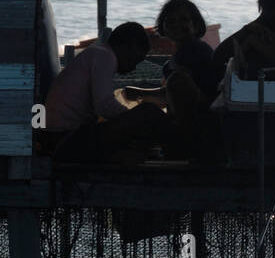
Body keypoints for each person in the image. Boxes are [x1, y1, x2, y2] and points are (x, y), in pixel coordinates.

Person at [41, 22, 180, 162]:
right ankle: (180, 148)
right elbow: (105, 106)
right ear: (128, 47)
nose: (133, 67)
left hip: (59, 136)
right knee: (148, 111)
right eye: (135, 60)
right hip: (65, 139)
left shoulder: (96, 53)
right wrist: (134, 117)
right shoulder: (104, 56)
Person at [120, 0, 218, 132]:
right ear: (163, 26)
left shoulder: (195, 51)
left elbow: (178, 91)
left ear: (196, 25)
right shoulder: (176, 59)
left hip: (199, 123)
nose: (176, 24)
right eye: (171, 21)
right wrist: (139, 93)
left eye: (183, 20)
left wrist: (139, 93)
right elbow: (170, 95)